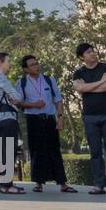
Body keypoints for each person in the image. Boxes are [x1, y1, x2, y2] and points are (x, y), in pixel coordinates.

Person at [18, 55, 77, 193]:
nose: (37, 66)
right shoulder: (21, 83)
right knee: (37, 151)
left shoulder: (49, 80)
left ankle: (62, 184)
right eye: (32, 65)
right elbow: (19, 102)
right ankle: (38, 183)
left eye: (37, 63)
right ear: (26, 69)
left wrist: (61, 118)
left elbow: (58, 100)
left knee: (54, 150)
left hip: (50, 119)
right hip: (33, 119)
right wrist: (33, 104)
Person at [72, 43, 106, 195]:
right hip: (89, 116)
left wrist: (90, 87)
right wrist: (101, 82)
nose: (93, 53)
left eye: (93, 50)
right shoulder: (78, 73)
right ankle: (98, 185)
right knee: (95, 153)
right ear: (82, 57)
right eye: (89, 52)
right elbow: (80, 88)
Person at [0, 53, 26, 195]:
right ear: (0, 62)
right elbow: (17, 97)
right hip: (6, 118)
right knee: (9, 151)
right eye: (8, 61)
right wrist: (16, 98)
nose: (10, 64)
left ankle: (1, 183)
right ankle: (7, 185)